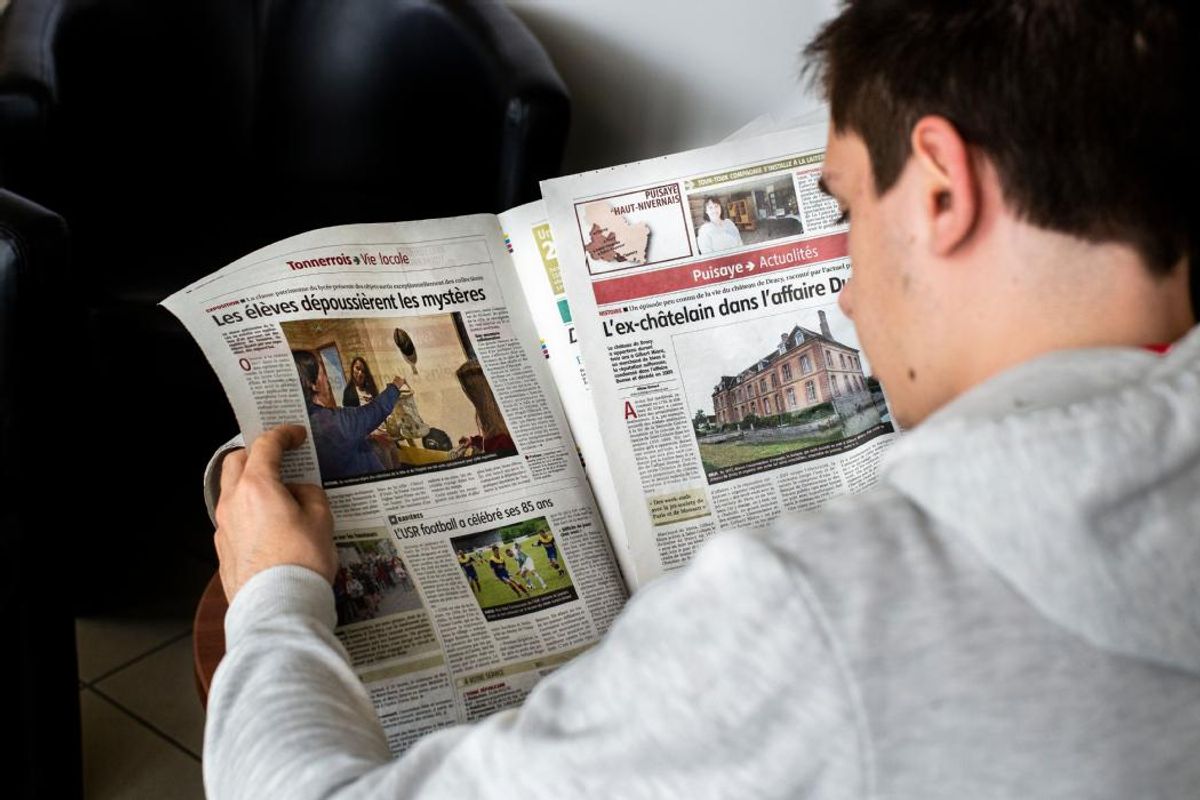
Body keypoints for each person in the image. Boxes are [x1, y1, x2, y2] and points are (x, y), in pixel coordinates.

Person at [207, 2, 1199, 797]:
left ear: (941, 187)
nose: (851, 295)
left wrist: (273, 591)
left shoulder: (813, 613)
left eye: (849, 208)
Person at [293, 350, 404, 482]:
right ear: (314, 385)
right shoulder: (336, 417)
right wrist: (395, 387)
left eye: (362, 370)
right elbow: (370, 413)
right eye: (323, 374)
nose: (327, 380)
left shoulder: (369, 387)